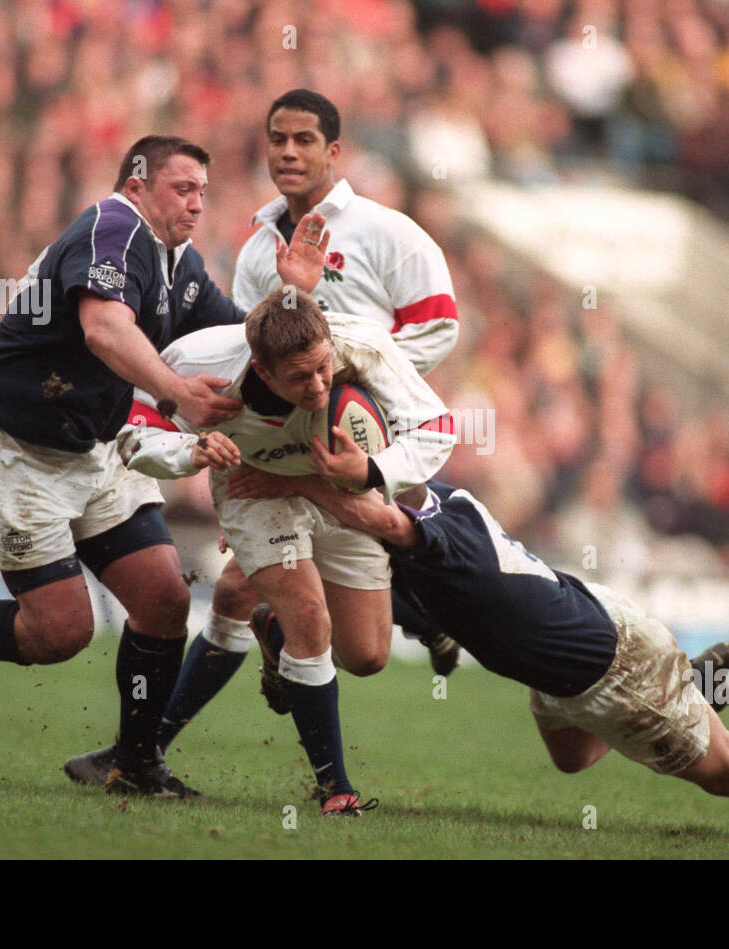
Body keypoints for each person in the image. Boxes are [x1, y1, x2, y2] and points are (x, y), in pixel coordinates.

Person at [86, 467, 729, 848]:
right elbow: (369, 566)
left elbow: (381, 526)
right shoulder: (445, 505)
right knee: (573, 760)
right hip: (574, 658)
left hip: (612, 670)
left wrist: (274, 483)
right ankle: (699, 692)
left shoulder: (439, 547)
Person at [0, 135, 327, 798]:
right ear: (137, 184)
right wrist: (173, 389)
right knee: (60, 632)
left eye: (203, 190)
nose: (197, 202)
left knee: (166, 599)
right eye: (181, 187)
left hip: (94, 447)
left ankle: (133, 763)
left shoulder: (179, 262)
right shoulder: (113, 225)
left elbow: (244, 343)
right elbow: (103, 329)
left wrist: (290, 294)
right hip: (15, 447)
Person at [66, 288, 455, 814]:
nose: (318, 385)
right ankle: (335, 790)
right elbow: (133, 434)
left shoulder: (362, 345)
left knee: (365, 656)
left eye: (323, 369)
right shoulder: (201, 361)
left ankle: (274, 631)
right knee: (310, 617)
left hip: (338, 485)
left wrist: (369, 470)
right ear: (263, 372)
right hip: (253, 489)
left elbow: (438, 427)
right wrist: (192, 449)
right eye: (299, 377)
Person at [197, 88, 462, 696]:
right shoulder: (258, 246)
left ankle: (427, 614)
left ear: (334, 151)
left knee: (345, 626)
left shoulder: (387, 231)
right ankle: (145, 748)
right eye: (278, 140)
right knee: (243, 586)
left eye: (304, 140)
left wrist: (357, 381)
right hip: (286, 440)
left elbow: (439, 324)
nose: (288, 153)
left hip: (360, 436)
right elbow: (249, 354)